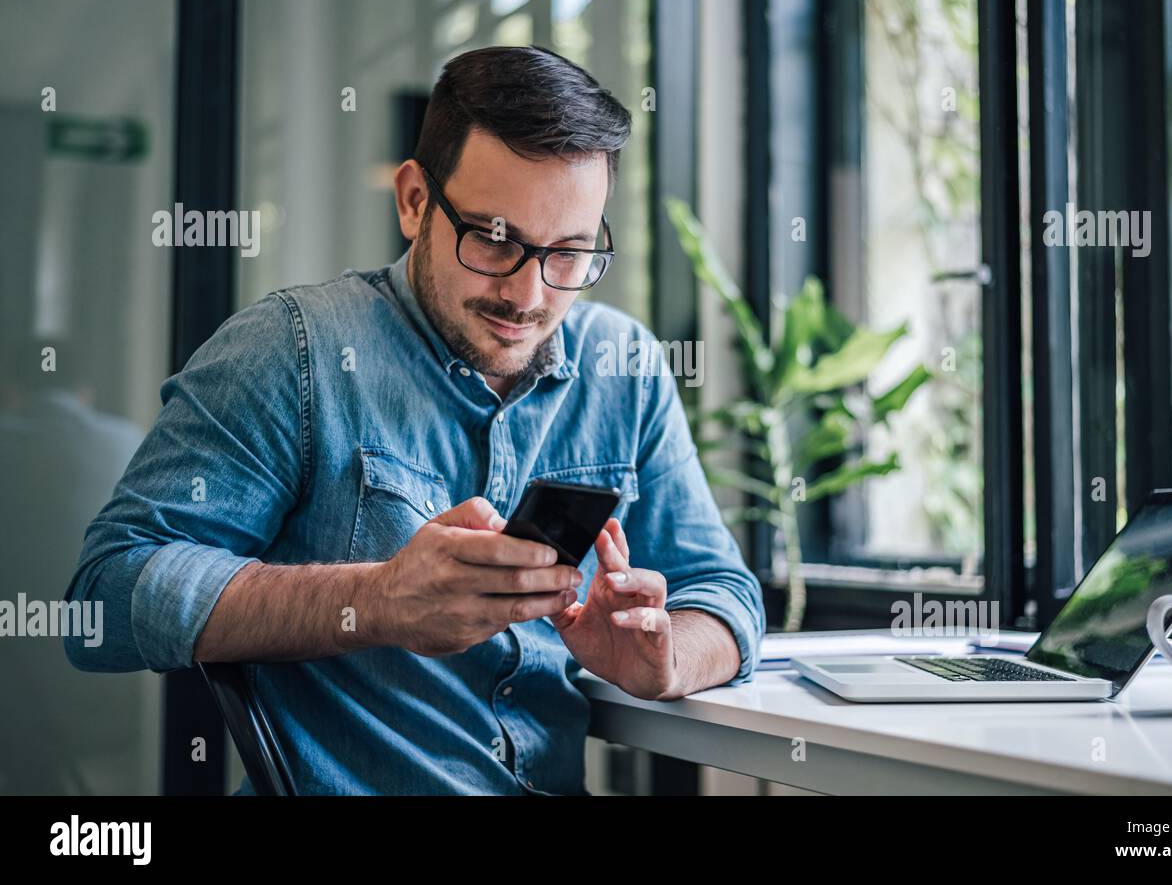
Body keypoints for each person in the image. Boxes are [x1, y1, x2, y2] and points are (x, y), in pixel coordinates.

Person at [65, 45, 765, 795]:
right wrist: (374, 601)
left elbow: (724, 592)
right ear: (412, 201)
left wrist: (662, 656)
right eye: (495, 238)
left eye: (569, 252)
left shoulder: (625, 366)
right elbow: (102, 600)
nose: (529, 294)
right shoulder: (291, 352)